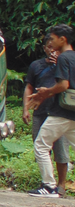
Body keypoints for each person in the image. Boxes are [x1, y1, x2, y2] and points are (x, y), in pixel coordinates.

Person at [28, 24, 75, 197]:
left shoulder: (63, 58)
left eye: (53, 38)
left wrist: (46, 92)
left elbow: (63, 85)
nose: (51, 42)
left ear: (63, 39)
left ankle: (48, 186)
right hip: (73, 114)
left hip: (61, 112)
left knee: (40, 145)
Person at [23, 35, 67, 193]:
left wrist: (58, 65)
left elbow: (65, 84)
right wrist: (25, 108)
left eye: (54, 47)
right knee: (41, 147)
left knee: (61, 150)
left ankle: (61, 184)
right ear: (44, 49)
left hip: (59, 112)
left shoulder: (64, 63)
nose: (51, 50)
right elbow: (29, 87)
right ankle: (48, 182)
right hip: (40, 111)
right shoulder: (37, 65)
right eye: (49, 47)